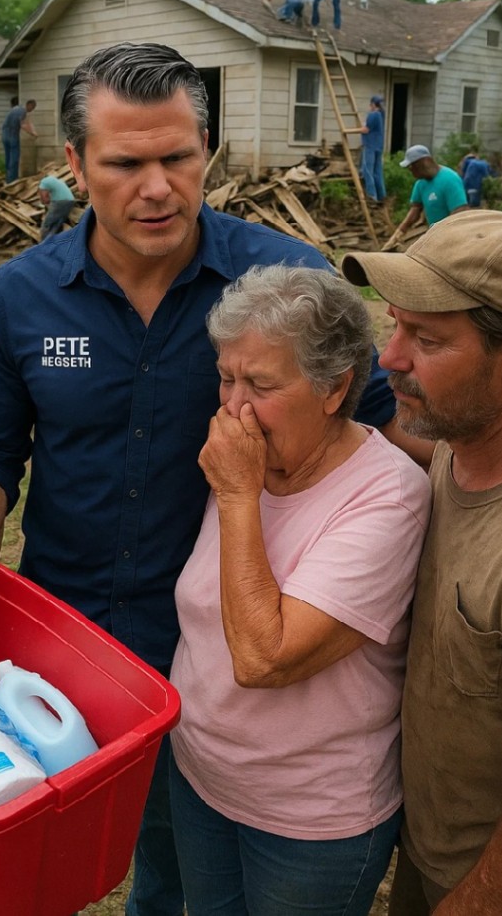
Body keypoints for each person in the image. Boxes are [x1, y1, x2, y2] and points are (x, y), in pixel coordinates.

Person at [0, 42, 423, 916]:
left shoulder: (279, 284)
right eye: (124, 164)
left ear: (206, 149)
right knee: (79, 862)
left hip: (215, 648)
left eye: (178, 157)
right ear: (72, 164)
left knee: (188, 862)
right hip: (65, 641)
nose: (157, 188)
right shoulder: (17, 297)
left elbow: (370, 420)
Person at [168, 265, 428, 914]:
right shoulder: (251, 454)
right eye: (226, 378)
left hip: (308, 821)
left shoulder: (386, 496)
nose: (233, 407)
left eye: (260, 385)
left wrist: (237, 497)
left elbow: (265, 658)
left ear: (334, 388)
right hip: (200, 776)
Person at [340, 212, 502, 914]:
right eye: (395, 326)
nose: (389, 358)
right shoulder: (453, 450)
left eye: (427, 339)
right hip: (428, 850)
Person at [394, 145, 468, 232]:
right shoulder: (420, 183)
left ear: (426, 161)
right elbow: (415, 209)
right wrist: (399, 232)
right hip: (435, 232)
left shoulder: (450, 179)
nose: (411, 170)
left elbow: (459, 212)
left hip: (452, 232)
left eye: (413, 166)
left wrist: (444, 233)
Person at [2, 97, 38, 183]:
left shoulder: (15, 109)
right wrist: (32, 133)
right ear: (29, 105)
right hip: (13, 136)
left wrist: (33, 130)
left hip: (4, 135)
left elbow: (28, 123)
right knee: (14, 159)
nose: (31, 110)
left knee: (8, 158)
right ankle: (12, 181)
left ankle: (7, 178)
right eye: (32, 108)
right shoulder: (22, 112)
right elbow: (23, 125)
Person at [359, 95, 386, 203]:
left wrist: (354, 130)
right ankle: (381, 195)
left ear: (373, 104)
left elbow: (366, 130)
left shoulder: (373, 115)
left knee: (367, 170)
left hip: (370, 145)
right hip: (378, 145)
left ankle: (372, 195)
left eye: (370, 104)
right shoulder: (381, 114)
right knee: (377, 171)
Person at [37, 174, 76, 241]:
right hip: (70, 201)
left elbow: (44, 198)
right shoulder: (57, 180)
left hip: (60, 201)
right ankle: (55, 242)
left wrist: (45, 203)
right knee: (57, 224)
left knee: (47, 224)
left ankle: (43, 244)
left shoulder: (44, 181)